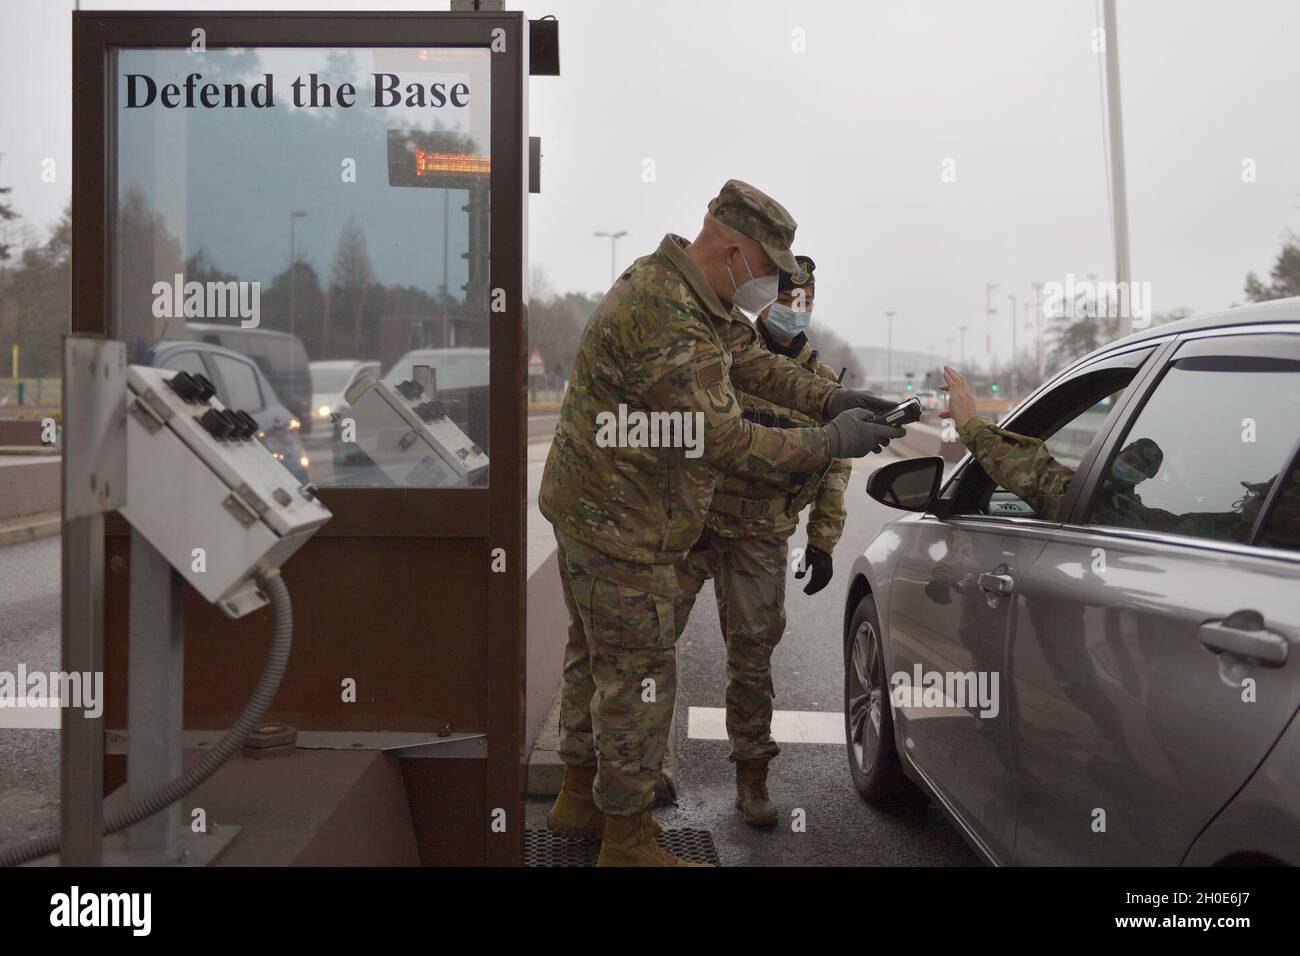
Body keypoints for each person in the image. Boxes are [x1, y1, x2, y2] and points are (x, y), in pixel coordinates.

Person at [540, 180, 904, 866]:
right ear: (734, 250)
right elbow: (725, 438)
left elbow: (752, 362)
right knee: (639, 680)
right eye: (768, 270)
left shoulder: (687, 295)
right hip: (619, 526)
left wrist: (833, 398)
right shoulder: (666, 314)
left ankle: (577, 803)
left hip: (607, 516)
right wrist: (832, 441)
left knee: (597, 659)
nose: (771, 287)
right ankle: (627, 843)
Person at [676, 255, 851, 827]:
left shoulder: (824, 387)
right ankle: (639, 766)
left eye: (805, 304)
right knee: (650, 642)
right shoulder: (727, 358)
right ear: (765, 301)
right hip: (696, 524)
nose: (794, 312)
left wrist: (823, 542)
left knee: (752, 656)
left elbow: (834, 468)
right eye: (786, 301)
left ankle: (752, 778)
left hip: (761, 535)